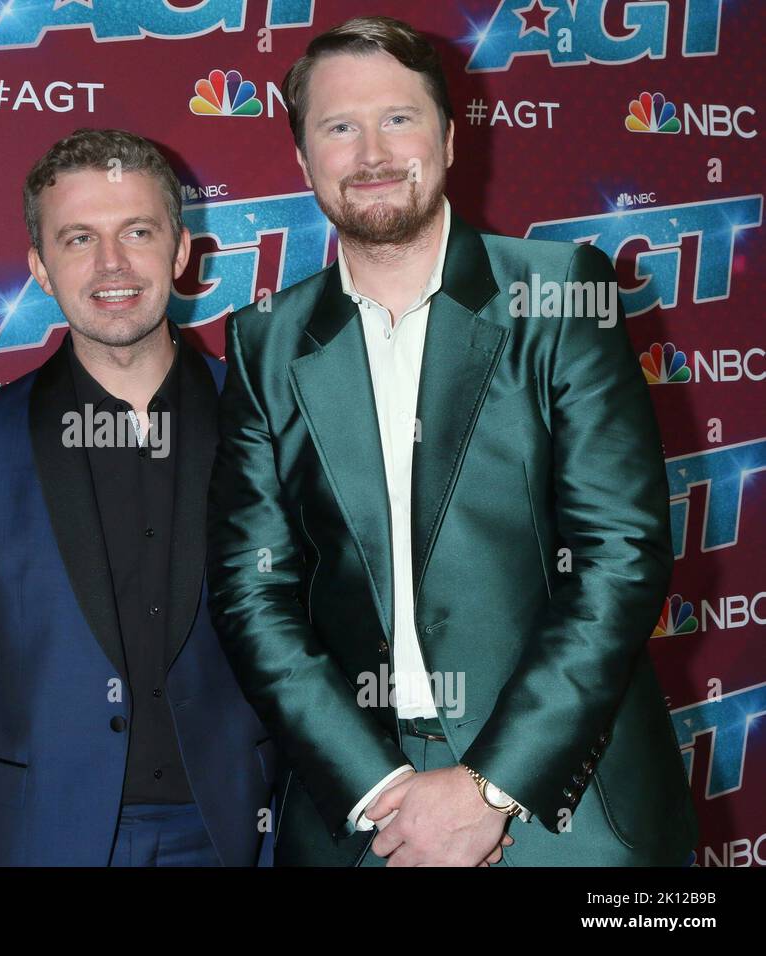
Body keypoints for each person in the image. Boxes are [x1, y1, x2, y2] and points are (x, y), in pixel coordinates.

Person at [206, 16, 697, 866]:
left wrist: (489, 787)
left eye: (399, 118)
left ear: (448, 138)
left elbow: (618, 552)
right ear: (301, 160)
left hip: (562, 803)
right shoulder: (264, 341)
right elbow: (254, 590)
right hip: (363, 810)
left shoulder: (558, 292)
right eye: (338, 126)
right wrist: (378, 789)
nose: (372, 151)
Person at [0, 129, 273, 866]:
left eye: (137, 232)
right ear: (41, 268)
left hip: (235, 833)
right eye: (78, 239)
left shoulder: (263, 420)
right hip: (42, 837)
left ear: (180, 251)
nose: (112, 265)